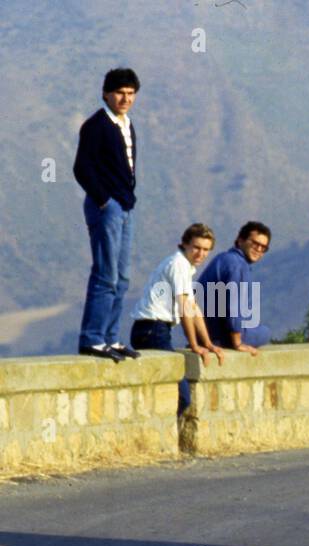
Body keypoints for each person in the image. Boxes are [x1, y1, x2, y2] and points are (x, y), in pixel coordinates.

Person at [73, 67, 141, 362]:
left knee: (123, 277)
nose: (125, 99)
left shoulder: (126, 124)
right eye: (119, 93)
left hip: (125, 206)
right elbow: (81, 167)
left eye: (130, 94)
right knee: (105, 274)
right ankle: (93, 338)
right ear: (106, 94)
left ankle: (111, 337)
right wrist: (104, 200)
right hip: (108, 207)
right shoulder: (96, 125)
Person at [128, 223, 223, 414]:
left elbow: (194, 308)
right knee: (182, 395)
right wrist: (194, 345)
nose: (201, 254)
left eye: (206, 250)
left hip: (154, 330)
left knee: (168, 391)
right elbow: (184, 308)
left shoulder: (184, 267)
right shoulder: (178, 265)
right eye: (196, 247)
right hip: (152, 330)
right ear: (184, 244)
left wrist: (208, 343)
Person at [196, 221, 271, 353]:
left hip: (203, 333)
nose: (259, 249)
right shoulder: (238, 266)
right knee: (265, 332)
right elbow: (234, 308)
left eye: (263, 247)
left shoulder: (222, 258)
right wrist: (238, 343)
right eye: (255, 243)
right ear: (240, 240)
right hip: (220, 336)